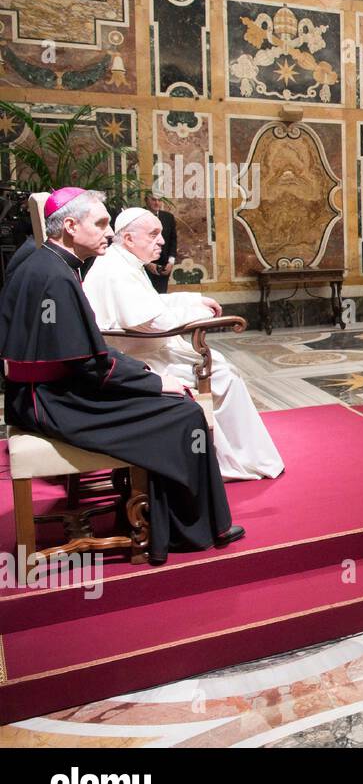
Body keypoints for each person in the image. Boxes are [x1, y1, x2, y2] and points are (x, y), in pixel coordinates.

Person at [0, 187, 240, 562]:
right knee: (184, 411)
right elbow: (88, 362)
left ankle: (179, 519)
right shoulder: (56, 276)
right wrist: (155, 380)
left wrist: (141, 374)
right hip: (52, 399)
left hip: (41, 392)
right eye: (99, 224)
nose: (109, 233)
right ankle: (184, 528)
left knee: (172, 403)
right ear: (69, 226)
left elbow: (85, 351)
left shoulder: (42, 260)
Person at [84, 207, 285, 481]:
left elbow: (148, 304)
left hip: (143, 350)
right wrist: (199, 314)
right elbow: (151, 322)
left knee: (224, 371)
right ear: (129, 239)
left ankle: (239, 458)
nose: (162, 241)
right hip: (139, 360)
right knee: (224, 377)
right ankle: (231, 463)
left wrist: (192, 300)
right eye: (153, 234)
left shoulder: (123, 262)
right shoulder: (115, 270)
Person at [143, 194, 178, 293]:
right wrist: (147, 263)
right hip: (144, 265)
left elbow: (173, 240)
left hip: (164, 266)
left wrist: (171, 262)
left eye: (159, 200)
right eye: (153, 200)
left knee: (161, 295)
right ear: (146, 200)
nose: (157, 203)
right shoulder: (138, 216)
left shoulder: (168, 217)